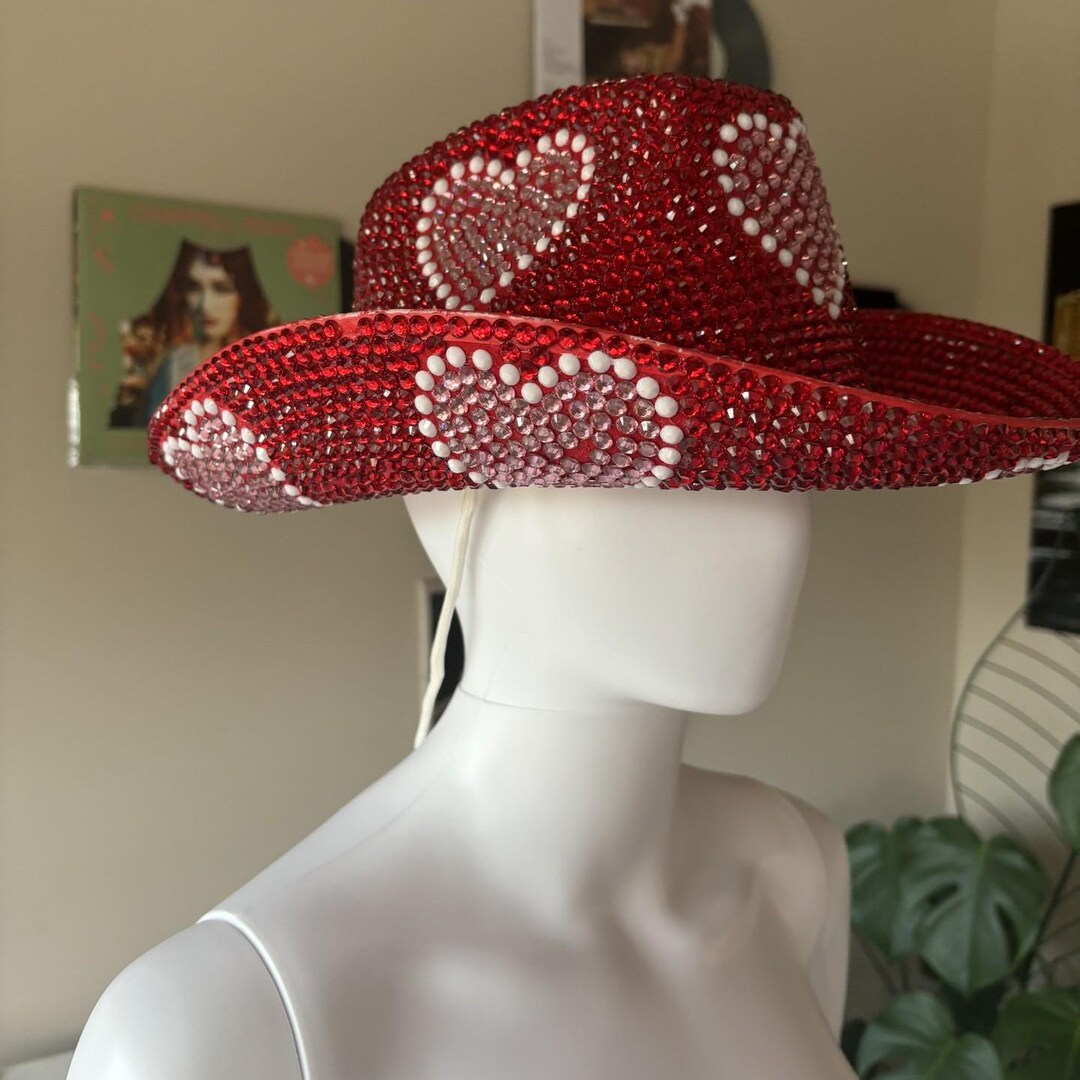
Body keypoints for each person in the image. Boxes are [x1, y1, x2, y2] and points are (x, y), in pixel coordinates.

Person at [72, 74, 1080, 1078]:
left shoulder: (794, 868)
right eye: (642, 459)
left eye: (780, 463)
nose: (772, 531)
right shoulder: (214, 1029)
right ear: (443, 499)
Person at [108, 241, 274, 428]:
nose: (204, 305)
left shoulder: (265, 366)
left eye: (221, 288)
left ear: (244, 294)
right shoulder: (174, 364)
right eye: (194, 287)